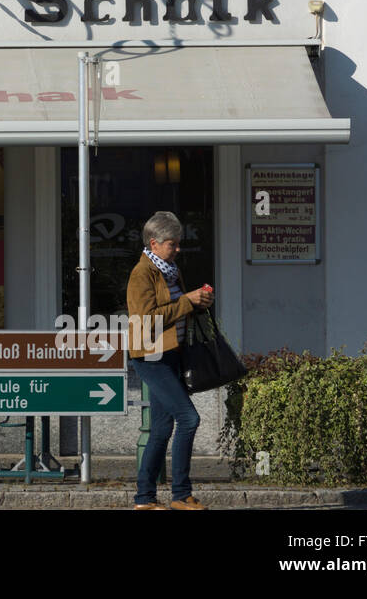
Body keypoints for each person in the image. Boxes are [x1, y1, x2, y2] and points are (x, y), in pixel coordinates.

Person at [126, 211, 214, 510]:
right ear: (154, 242)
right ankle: (180, 494)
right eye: (172, 244)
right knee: (189, 419)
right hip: (151, 357)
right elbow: (144, 320)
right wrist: (187, 301)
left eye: (178, 244)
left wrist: (198, 302)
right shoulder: (143, 273)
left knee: (162, 429)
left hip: (172, 354)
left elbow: (177, 307)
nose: (177, 249)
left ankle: (144, 499)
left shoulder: (170, 270)